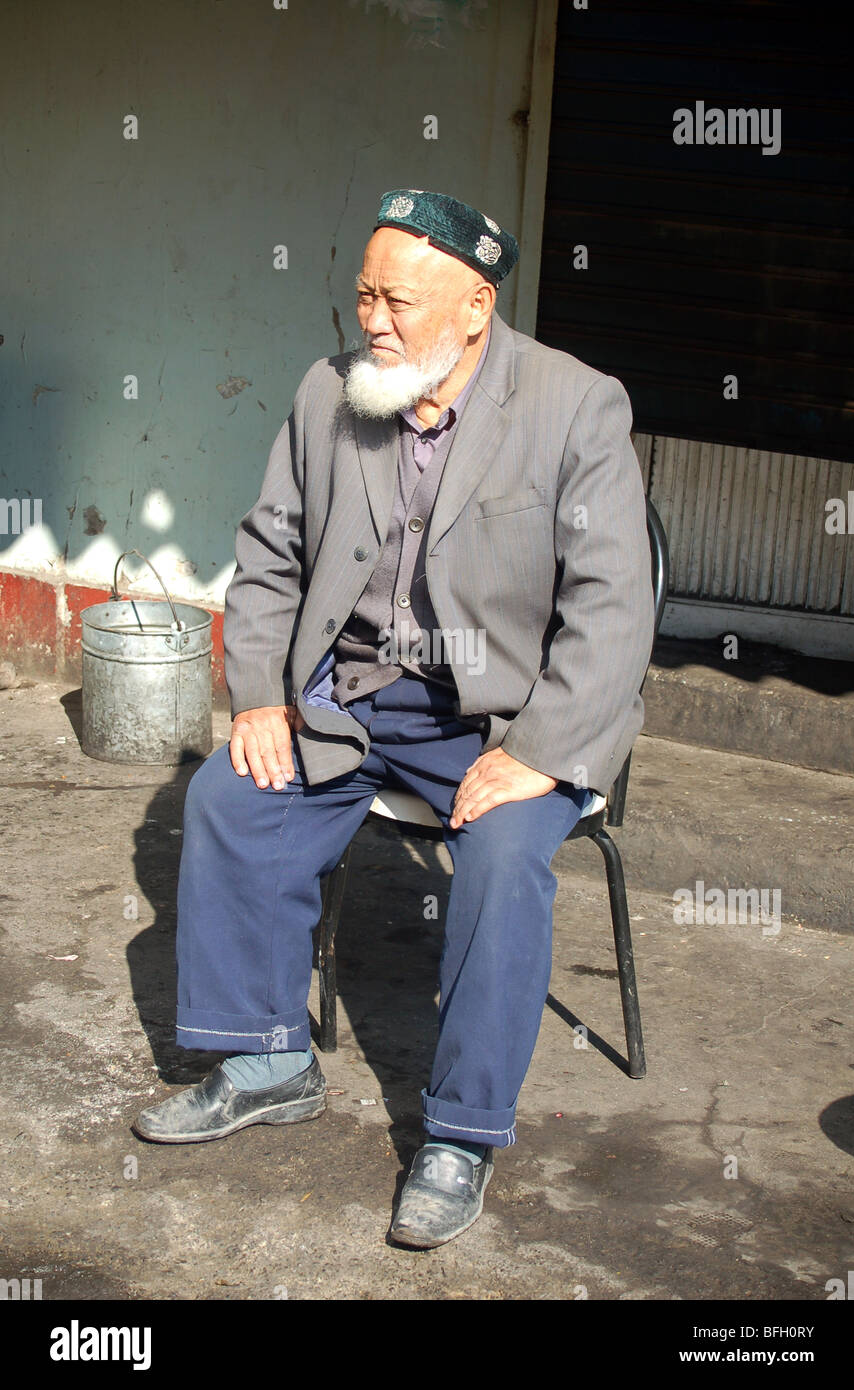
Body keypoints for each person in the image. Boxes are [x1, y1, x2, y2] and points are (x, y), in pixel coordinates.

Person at [133, 189, 655, 1248]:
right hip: (358, 696)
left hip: (504, 717)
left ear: (476, 307)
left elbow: (614, 606)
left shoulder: (576, 405)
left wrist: (546, 756)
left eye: (399, 301)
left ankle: (459, 1133)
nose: (372, 318)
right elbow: (270, 555)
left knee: (506, 858)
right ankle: (269, 1057)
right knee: (231, 794)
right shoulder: (331, 393)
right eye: (363, 293)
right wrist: (266, 696)